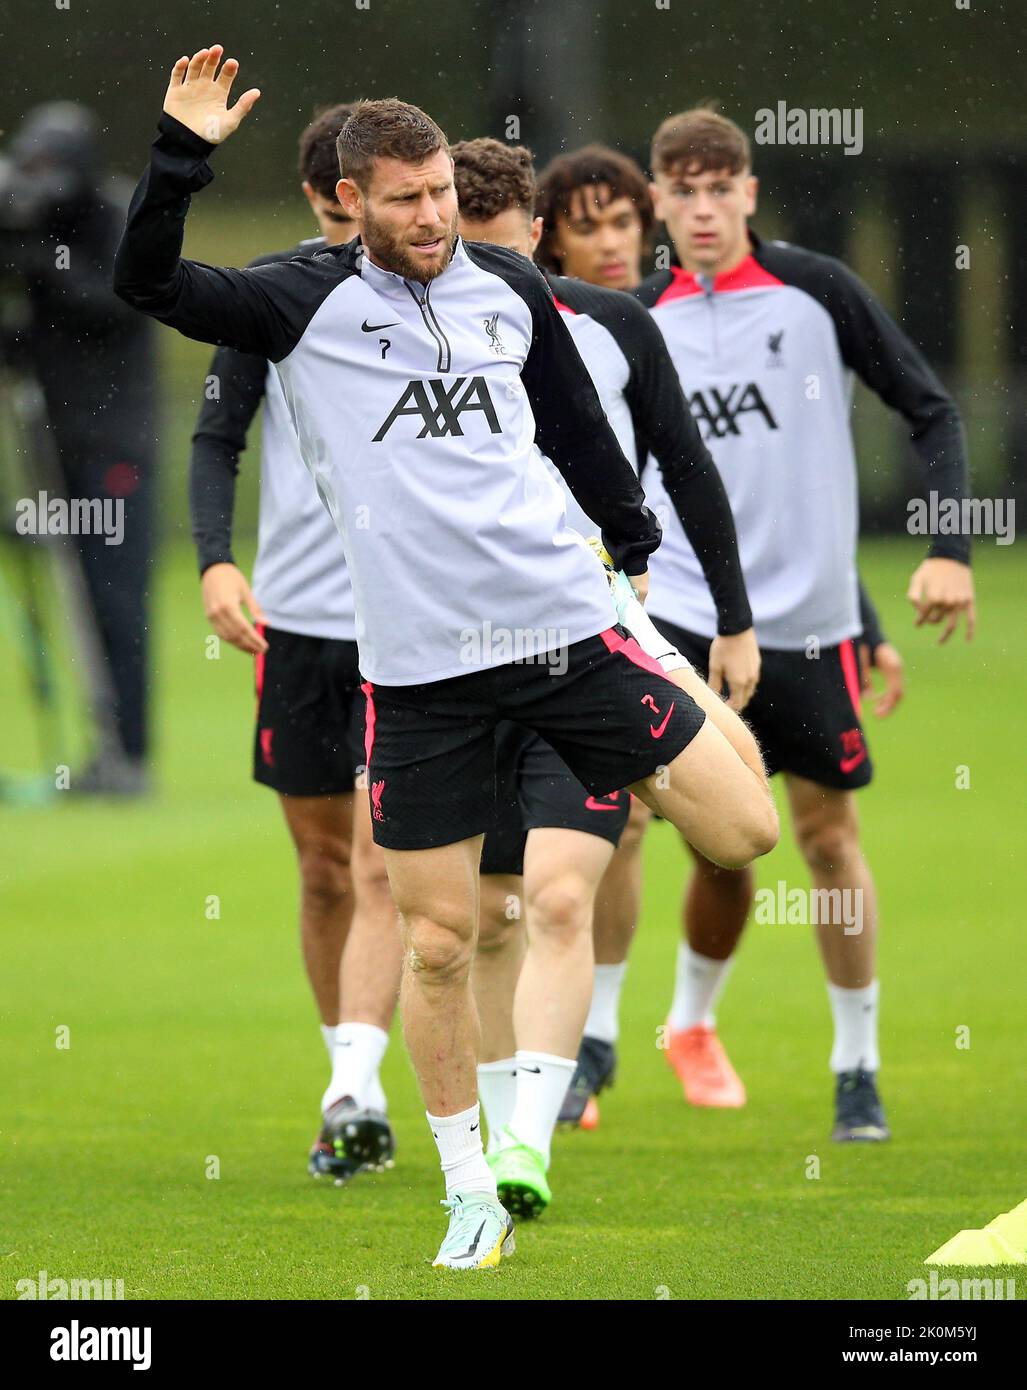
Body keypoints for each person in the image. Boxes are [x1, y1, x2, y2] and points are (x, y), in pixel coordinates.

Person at [114, 48, 778, 1269]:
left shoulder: (506, 290)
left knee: (746, 834)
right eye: (405, 197)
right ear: (351, 200)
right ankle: (469, 1186)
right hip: (419, 677)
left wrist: (629, 552)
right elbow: (144, 279)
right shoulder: (291, 300)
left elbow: (579, 432)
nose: (431, 217)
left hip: (566, 634)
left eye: (439, 193)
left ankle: (637, 718)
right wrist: (179, 156)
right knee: (434, 941)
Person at [616, 106, 972, 1140]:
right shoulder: (639, 319)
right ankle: (598, 1044)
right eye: (681, 189)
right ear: (657, 200)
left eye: (719, 186)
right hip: (679, 616)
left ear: (749, 193)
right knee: (639, 825)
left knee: (824, 842)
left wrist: (946, 549)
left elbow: (932, 409)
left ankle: (855, 1065)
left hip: (809, 627)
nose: (701, 207)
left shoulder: (817, 292)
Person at [450, 136, 758, 1215]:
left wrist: (729, 616)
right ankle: (491, 1140)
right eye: (458, 251)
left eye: (499, 254)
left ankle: (535, 1133)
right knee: (479, 916)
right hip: (452, 659)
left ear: (534, 238)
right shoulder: (400, 337)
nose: (479, 278)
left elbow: (677, 462)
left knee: (572, 887)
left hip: (591, 636)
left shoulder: (610, 328)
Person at [188, 103, 402, 1183]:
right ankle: (349, 1091)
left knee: (380, 861)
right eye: (332, 209)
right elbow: (217, 437)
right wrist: (215, 561)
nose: (343, 228)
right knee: (324, 870)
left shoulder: (444, 298)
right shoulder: (276, 297)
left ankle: (354, 1085)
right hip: (301, 631)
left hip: (409, 633)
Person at [1, 102, 158, 793]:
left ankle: (127, 754)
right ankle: (100, 750)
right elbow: (23, 344)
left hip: (114, 446)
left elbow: (118, 303)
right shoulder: (33, 229)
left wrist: (46, 268)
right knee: (77, 592)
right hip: (52, 442)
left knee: (114, 598)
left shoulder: (116, 216)